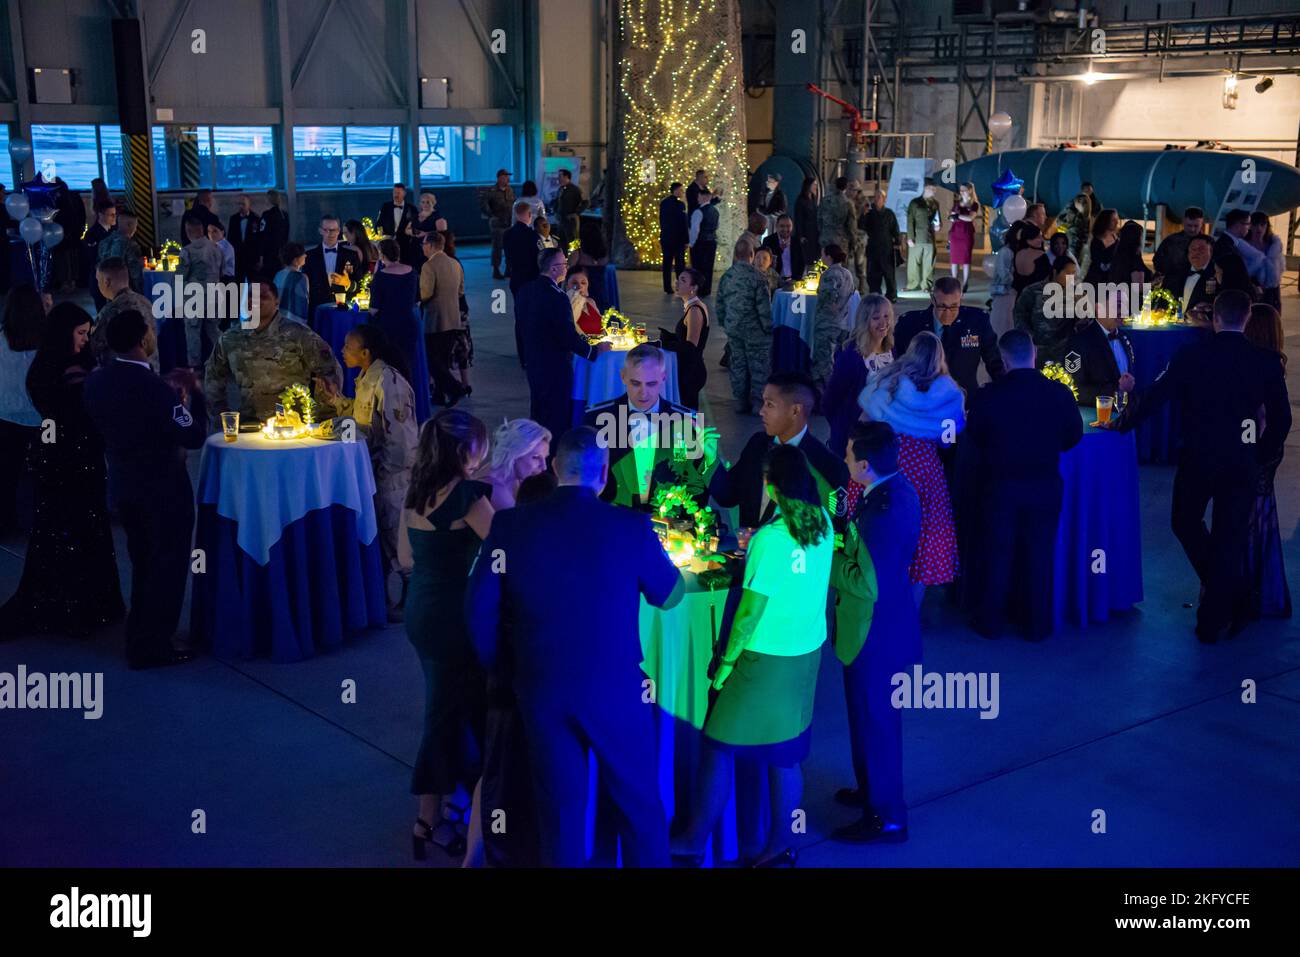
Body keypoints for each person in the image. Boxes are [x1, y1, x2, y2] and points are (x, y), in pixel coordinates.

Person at [466, 426, 682, 867]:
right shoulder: (631, 526)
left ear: (552, 467)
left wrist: (506, 669)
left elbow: (476, 612)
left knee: (559, 812)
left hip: (541, 687)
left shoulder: (510, 526)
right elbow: (671, 594)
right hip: (616, 690)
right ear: (604, 472)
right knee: (639, 805)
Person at [671, 443, 831, 868]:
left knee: (717, 745)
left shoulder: (771, 539)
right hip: (806, 656)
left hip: (763, 662)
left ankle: (691, 841)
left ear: (771, 485)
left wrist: (722, 666)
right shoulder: (824, 524)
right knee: (785, 756)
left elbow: (747, 615)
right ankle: (779, 846)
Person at [1115, 290, 1291, 643]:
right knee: (1228, 538)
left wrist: (1122, 424)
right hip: (1241, 462)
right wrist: (1258, 455)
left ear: (1215, 318)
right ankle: (1226, 607)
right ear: (1245, 319)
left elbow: (1156, 397)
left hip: (1198, 458)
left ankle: (1221, 611)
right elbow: (1282, 420)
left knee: (1184, 523)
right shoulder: (1267, 361)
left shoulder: (1192, 354)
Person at [84, 309, 206, 668]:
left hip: (124, 486)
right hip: (163, 490)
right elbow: (193, 434)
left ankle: (140, 634)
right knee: (166, 567)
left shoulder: (97, 381)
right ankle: (154, 644)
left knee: (141, 563)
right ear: (143, 341)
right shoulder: (154, 389)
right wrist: (194, 395)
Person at [398, 410, 494, 860]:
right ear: (463, 452)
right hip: (455, 619)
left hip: (421, 612)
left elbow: (405, 558)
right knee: (447, 715)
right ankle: (428, 818)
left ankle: (446, 806)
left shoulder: (415, 492)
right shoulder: (469, 497)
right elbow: (504, 548)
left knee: (443, 707)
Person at [0, 304, 125, 640]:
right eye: (81, 334)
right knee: (67, 529)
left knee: (79, 529)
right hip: (67, 459)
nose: (86, 340)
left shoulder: (64, 366)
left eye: (88, 333)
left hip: (75, 457)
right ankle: (73, 606)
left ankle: (82, 603)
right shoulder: (56, 372)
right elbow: (72, 414)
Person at [830, 421, 921, 844]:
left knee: (877, 723)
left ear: (864, 465)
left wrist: (823, 557)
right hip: (885, 630)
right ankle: (870, 792)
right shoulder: (895, 490)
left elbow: (866, 583)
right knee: (867, 719)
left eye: (849, 454)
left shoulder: (882, 513)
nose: (844, 458)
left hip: (874, 636)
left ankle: (887, 817)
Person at [963, 329, 1083, 640]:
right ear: (1034, 353)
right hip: (1044, 484)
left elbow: (974, 437)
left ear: (1003, 360)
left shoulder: (988, 397)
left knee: (998, 552)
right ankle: (1037, 624)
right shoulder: (1059, 394)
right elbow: (1073, 436)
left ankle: (990, 621)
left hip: (1000, 486)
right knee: (1040, 554)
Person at [316, 323, 418, 612]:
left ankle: (410, 599)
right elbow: (365, 419)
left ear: (365, 352)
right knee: (380, 536)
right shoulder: (367, 378)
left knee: (395, 534)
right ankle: (382, 598)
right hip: (372, 470)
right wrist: (336, 400)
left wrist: (386, 471)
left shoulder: (388, 381)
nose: (342, 351)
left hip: (392, 477)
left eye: (348, 347)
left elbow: (401, 438)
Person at [859, 332, 964, 607]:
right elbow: (947, 441)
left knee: (883, 535)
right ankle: (910, 613)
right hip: (926, 473)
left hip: (887, 468)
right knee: (923, 539)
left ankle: (875, 604)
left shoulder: (886, 382)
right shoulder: (949, 396)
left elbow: (864, 423)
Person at [582, 342, 718, 509]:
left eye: (651, 384)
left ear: (663, 377)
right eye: (636, 383)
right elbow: (583, 479)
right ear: (623, 376)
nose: (644, 393)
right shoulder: (595, 419)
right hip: (613, 521)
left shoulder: (687, 420)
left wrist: (710, 462)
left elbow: (699, 489)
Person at [711, 372, 848, 526]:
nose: (761, 411)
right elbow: (728, 495)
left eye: (770, 404)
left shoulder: (828, 467)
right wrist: (710, 461)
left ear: (795, 411)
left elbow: (835, 531)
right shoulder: (758, 445)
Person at [204, 281, 342, 426]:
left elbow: (330, 370)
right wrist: (222, 416)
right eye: (250, 296)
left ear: (276, 301)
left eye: (262, 296)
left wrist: (323, 415)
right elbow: (213, 375)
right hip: (251, 425)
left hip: (294, 426)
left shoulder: (299, 334)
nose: (255, 301)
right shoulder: (231, 338)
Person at [516, 248, 610, 443]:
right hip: (555, 366)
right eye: (564, 265)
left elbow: (520, 328)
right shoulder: (557, 297)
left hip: (534, 363)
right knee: (557, 416)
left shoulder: (525, 290)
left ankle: (537, 451)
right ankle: (551, 458)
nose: (566, 268)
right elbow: (567, 335)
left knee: (539, 410)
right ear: (553, 269)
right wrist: (593, 350)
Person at [1242, 303, 1291, 619]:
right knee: (1260, 518)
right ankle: (1260, 589)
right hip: (1264, 451)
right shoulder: (1271, 365)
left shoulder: (1258, 367)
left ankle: (1245, 588)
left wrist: (1258, 454)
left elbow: (1278, 419)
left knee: (1245, 520)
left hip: (1255, 451)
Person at [894, 275, 1004, 398]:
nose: (947, 312)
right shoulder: (910, 324)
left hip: (963, 399)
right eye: (942, 306)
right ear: (932, 299)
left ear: (961, 299)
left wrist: (1006, 389)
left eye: (953, 306)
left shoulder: (977, 322)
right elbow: (897, 363)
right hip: (923, 400)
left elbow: (994, 362)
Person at [824, 294, 895, 458]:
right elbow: (830, 400)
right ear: (864, 321)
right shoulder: (850, 357)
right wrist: (842, 428)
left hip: (883, 435)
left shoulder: (892, 350)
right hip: (855, 439)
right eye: (876, 318)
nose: (883, 323)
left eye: (886, 316)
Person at [0, 285, 43, 536]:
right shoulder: (49, 340)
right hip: (41, 420)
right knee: (43, 470)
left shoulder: (2, 339)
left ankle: (7, 520)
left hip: (5, 416)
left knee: (8, 471)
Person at [369, 238, 427, 419]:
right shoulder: (412, 273)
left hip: (388, 326)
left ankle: (392, 408)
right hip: (408, 324)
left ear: (382, 255)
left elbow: (373, 309)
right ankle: (410, 407)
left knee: (389, 369)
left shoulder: (382, 276)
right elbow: (417, 300)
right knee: (407, 366)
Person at [715, 239, 772, 414]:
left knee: (738, 364)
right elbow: (764, 308)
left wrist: (726, 323)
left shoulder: (727, 277)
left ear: (735, 255)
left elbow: (720, 304)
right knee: (758, 366)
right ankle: (757, 403)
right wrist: (768, 328)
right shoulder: (758, 277)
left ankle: (740, 401)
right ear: (751, 255)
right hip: (755, 330)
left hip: (734, 329)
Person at [419, 231, 468, 407]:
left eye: (424, 244)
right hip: (453, 319)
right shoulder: (455, 263)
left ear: (431, 245)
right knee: (443, 360)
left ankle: (454, 389)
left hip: (435, 320)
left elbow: (426, 294)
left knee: (433, 361)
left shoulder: (429, 266)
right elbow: (461, 291)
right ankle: (439, 395)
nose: (422, 247)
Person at [472, 418, 551, 511]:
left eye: (545, 458)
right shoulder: (491, 486)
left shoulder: (515, 477)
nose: (544, 466)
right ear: (515, 454)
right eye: (536, 457)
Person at [90, 257, 156, 369]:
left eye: (98, 280)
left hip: (122, 375)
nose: (98, 285)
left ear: (106, 282)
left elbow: (95, 347)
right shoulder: (146, 303)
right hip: (150, 371)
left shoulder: (110, 311)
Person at [1014, 254, 1078, 367]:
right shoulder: (1033, 291)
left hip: (1066, 354)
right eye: (1068, 273)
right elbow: (1020, 317)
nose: (1071, 278)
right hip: (1038, 353)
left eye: (1073, 274)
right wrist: (1030, 340)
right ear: (1055, 272)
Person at [178, 218, 225, 368]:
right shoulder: (216, 248)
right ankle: (224, 361)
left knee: (193, 332)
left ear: (188, 231)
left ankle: (195, 367)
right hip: (215, 294)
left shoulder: (187, 251)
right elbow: (222, 271)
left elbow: (180, 277)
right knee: (214, 331)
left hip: (195, 297)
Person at [302, 214, 361, 318]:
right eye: (326, 230)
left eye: (333, 230)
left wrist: (347, 283)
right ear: (320, 231)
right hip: (317, 310)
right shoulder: (309, 256)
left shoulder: (351, 255)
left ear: (339, 231)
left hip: (344, 311)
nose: (330, 233)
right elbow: (305, 287)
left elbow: (358, 286)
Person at [815, 244, 859, 383]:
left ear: (829, 256)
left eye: (823, 255)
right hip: (843, 323)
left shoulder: (830, 274)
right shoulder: (847, 273)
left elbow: (829, 298)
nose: (821, 258)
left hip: (828, 325)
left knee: (825, 362)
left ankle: (829, 391)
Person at [669, 266, 710, 409]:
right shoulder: (691, 306)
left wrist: (664, 344)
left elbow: (691, 346)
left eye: (683, 280)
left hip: (691, 371)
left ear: (693, 287)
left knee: (688, 417)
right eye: (678, 279)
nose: (677, 283)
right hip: (689, 368)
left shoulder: (694, 310)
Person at [861, 190, 901, 300]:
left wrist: (897, 243)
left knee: (889, 274)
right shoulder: (869, 213)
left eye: (880, 197)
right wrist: (863, 215)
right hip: (873, 248)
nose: (877, 199)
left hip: (886, 248)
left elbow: (895, 229)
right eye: (876, 196)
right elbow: (862, 227)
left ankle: (891, 295)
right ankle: (875, 294)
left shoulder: (889, 213)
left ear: (884, 199)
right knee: (873, 274)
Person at [1166, 234, 1217, 320]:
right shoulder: (1177, 273)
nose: (1196, 253)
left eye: (1201, 249)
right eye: (1193, 249)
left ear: (1211, 252)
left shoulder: (1216, 275)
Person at [97, 208, 145, 294]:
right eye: (135, 226)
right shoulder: (130, 245)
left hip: (107, 291)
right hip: (126, 293)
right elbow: (136, 275)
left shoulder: (104, 242)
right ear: (130, 225)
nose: (135, 229)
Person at [478, 170, 515, 280]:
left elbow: (514, 203)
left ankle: (509, 269)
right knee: (497, 247)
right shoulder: (492, 191)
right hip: (497, 223)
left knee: (510, 247)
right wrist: (492, 215)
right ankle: (496, 269)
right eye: (505, 177)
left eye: (508, 177)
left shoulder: (510, 190)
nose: (508, 179)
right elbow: (484, 205)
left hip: (509, 223)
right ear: (499, 178)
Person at [904, 183, 941, 292]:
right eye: (932, 188)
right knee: (913, 263)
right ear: (926, 188)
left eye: (935, 189)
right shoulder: (915, 203)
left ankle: (926, 285)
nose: (934, 191)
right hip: (917, 237)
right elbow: (910, 220)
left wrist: (939, 225)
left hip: (930, 237)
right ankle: (912, 284)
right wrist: (910, 237)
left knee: (929, 264)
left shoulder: (935, 204)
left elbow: (938, 219)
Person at [1152, 206, 1204, 280]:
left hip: (1198, 283)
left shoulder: (1208, 244)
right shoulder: (1171, 241)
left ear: (1202, 223)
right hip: (1173, 283)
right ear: (1183, 221)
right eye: (1189, 225)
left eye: (1196, 226)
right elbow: (1157, 262)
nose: (1192, 229)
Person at [818, 177, 858, 271]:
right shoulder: (848, 203)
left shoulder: (825, 200)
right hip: (841, 241)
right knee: (841, 270)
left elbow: (819, 219)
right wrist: (853, 242)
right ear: (846, 187)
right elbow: (851, 226)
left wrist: (823, 233)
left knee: (824, 268)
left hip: (826, 239)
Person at [83, 200, 117, 310]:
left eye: (115, 214)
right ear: (101, 215)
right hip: (100, 279)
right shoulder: (93, 234)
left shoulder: (113, 231)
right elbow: (92, 258)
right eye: (111, 214)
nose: (114, 217)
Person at [1247, 212, 1284, 310]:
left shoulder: (1273, 245)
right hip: (1251, 290)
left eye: (1262, 224)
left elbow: (1279, 268)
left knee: (1273, 317)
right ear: (1250, 226)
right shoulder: (1244, 246)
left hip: (1272, 289)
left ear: (1267, 226)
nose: (1259, 228)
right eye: (1255, 224)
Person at [688, 188, 720, 296]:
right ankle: (707, 290)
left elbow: (695, 230)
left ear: (704, 197)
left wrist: (691, 243)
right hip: (712, 242)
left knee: (698, 267)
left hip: (700, 243)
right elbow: (717, 226)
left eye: (699, 196)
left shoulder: (698, 211)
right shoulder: (715, 211)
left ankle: (699, 290)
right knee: (708, 267)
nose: (697, 198)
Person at [948, 183, 980, 290]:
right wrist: (953, 217)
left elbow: (970, 218)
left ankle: (965, 283)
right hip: (955, 233)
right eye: (960, 190)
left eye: (964, 190)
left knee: (966, 259)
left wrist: (958, 216)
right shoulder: (957, 203)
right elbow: (952, 217)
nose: (961, 192)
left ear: (970, 191)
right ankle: (954, 281)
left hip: (966, 233)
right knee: (954, 259)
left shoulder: (974, 204)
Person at [659, 182, 689, 294]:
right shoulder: (680, 205)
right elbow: (683, 224)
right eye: (681, 190)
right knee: (680, 264)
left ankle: (667, 287)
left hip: (666, 238)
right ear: (675, 190)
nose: (682, 192)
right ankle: (680, 286)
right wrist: (686, 240)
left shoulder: (664, 203)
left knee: (667, 263)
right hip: (678, 239)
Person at [256, 189, 290, 282]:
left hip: (268, 255)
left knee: (266, 281)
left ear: (268, 200)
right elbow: (286, 236)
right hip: (280, 255)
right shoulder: (285, 216)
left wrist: (261, 256)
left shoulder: (266, 215)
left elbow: (262, 236)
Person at [273, 242, 310, 326]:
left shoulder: (278, 274)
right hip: (293, 322)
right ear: (295, 260)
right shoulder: (301, 277)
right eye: (303, 254)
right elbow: (303, 302)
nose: (305, 255)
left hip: (277, 319)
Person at [761, 213, 804, 285]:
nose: (785, 229)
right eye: (782, 226)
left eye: (788, 226)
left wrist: (797, 279)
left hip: (793, 281)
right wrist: (780, 249)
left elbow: (801, 262)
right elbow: (766, 262)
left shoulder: (796, 241)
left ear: (792, 227)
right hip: (774, 281)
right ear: (776, 227)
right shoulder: (768, 241)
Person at [378, 182, 417, 262]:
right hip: (389, 244)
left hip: (406, 245)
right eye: (394, 192)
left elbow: (415, 225)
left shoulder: (411, 208)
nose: (396, 195)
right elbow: (379, 223)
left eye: (398, 193)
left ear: (404, 193)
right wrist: (381, 233)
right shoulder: (385, 206)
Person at [227, 194, 261, 282]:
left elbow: (259, 240)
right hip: (238, 258)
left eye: (243, 204)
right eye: (239, 204)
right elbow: (230, 238)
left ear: (249, 205)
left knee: (254, 285)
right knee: (238, 284)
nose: (241, 206)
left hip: (252, 258)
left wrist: (259, 258)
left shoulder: (256, 219)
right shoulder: (233, 219)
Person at [1011, 222, 1051, 297]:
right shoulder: (1040, 255)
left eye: (1041, 236)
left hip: (1019, 297)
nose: (1042, 239)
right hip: (1035, 298)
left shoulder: (1017, 254)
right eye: (1038, 237)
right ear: (1028, 238)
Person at [1110, 220, 1153, 287]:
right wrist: (1154, 282)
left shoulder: (1116, 255)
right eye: (1141, 236)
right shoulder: (1135, 258)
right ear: (1136, 239)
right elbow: (1138, 288)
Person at [1082, 208, 1119, 285]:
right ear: (1106, 221)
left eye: (1117, 219)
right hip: (1096, 279)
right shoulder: (1095, 240)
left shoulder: (1117, 239)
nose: (1116, 222)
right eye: (1113, 220)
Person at [566, 268, 605, 337]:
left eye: (583, 283)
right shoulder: (565, 304)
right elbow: (570, 329)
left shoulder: (591, 301)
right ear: (566, 285)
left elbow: (602, 329)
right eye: (574, 283)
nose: (579, 286)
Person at [1055, 194, 1092, 264]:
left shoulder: (1085, 214)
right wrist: (1068, 228)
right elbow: (1058, 221)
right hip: (1068, 241)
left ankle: (1070, 275)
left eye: (1085, 206)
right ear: (1077, 202)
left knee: (1074, 264)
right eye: (1082, 205)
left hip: (1078, 244)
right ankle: (1067, 275)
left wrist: (1084, 243)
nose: (1083, 207)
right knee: (1069, 264)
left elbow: (1086, 232)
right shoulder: (1069, 210)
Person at [554, 168, 586, 247]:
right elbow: (557, 202)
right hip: (561, 220)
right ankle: (562, 258)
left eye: (560, 176)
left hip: (571, 221)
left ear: (566, 177)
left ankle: (575, 258)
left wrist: (576, 213)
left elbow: (585, 202)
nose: (558, 178)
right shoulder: (560, 189)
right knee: (560, 241)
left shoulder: (575, 189)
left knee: (573, 242)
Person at [794, 177, 821, 269]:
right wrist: (801, 235)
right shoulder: (801, 200)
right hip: (807, 233)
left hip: (815, 232)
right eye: (814, 185)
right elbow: (798, 219)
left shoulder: (813, 199)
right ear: (808, 186)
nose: (815, 187)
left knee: (815, 257)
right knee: (808, 257)